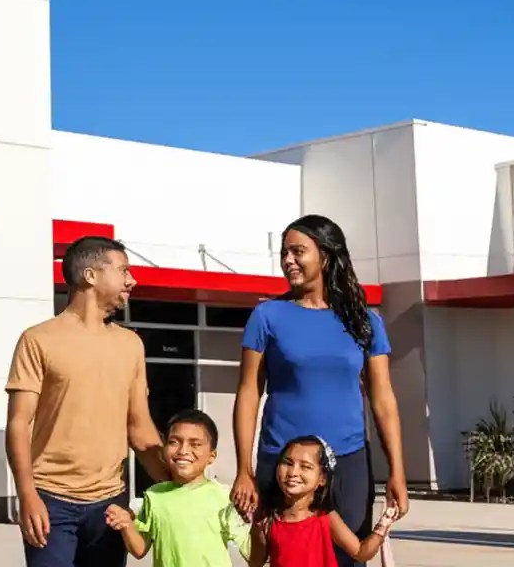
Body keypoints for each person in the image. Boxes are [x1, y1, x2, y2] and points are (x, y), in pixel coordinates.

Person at [231, 214, 408, 567]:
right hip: (283, 462)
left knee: (349, 558)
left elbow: (383, 398)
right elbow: (248, 392)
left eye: (298, 251)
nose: (288, 261)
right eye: (284, 253)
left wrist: (397, 470)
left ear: (326, 256)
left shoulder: (366, 321)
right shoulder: (267, 316)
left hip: (349, 462)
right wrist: (243, 469)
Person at [6, 236, 167, 567]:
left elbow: (140, 430)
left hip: (109, 504)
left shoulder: (130, 344)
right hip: (50, 500)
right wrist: (27, 495)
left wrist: (179, 486)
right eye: (123, 270)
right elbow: (19, 423)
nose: (132, 280)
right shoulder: (38, 339)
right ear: (90, 275)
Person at [103, 409, 253, 566]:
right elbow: (139, 550)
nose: (183, 451)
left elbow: (252, 554)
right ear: (164, 449)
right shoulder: (155, 495)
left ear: (211, 456)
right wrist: (126, 524)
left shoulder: (224, 497)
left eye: (195, 444)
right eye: (174, 442)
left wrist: (260, 526)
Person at [247, 436, 400, 567]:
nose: (293, 472)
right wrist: (257, 528)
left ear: (322, 478)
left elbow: (360, 552)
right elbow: (256, 562)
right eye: (287, 463)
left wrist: (383, 526)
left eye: (305, 467)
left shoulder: (325, 518)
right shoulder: (270, 519)